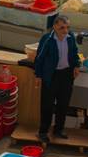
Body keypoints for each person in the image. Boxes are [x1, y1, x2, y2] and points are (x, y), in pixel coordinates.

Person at [31, 14, 79, 147]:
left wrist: (76, 65)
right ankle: (43, 132)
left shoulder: (70, 38)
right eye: (62, 28)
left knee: (63, 104)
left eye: (67, 27)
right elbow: (39, 58)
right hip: (51, 76)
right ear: (54, 27)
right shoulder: (47, 39)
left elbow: (75, 52)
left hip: (66, 75)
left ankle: (58, 130)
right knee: (47, 105)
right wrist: (38, 76)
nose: (65, 31)